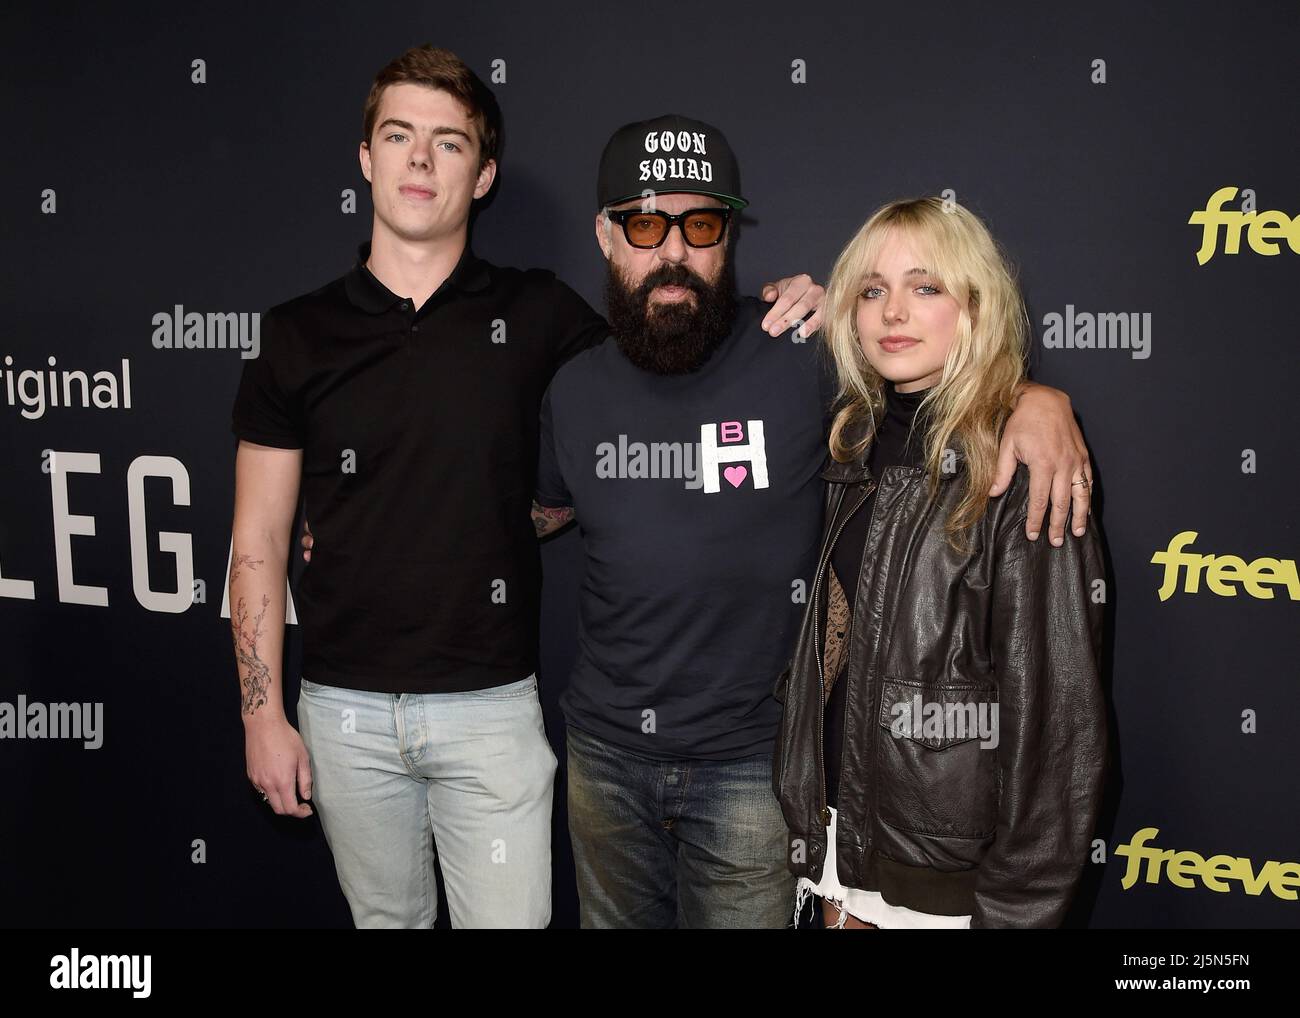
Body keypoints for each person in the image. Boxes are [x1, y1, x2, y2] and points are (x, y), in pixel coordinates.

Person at [231, 46, 822, 929]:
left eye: (449, 142)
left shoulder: (548, 319)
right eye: (399, 136)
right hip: (344, 712)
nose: (421, 161)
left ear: (485, 172)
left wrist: (1030, 401)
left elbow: (679, 349)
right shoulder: (292, 336)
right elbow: (256, 541)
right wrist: (261, 713)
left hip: (500, 714)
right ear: (366, 158)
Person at [530, 118, 1095, 928]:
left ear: (728, 235)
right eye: (647, 223)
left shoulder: (803, 354)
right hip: (604, 755)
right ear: (607, 235)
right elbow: (535, 513)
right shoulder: (573, 389)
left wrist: (1037, 401)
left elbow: (939, 370)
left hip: (757, 768)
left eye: (702, 225)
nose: (674, 252)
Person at [771, 197, 1109, 929]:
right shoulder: (851, 445)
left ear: (976, 308)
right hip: (835, 842)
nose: (894, 310)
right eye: (872, 290)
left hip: (949, 882)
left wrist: (1018, 912)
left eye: (926, 287)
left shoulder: (1022, 468)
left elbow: (1059, 727)